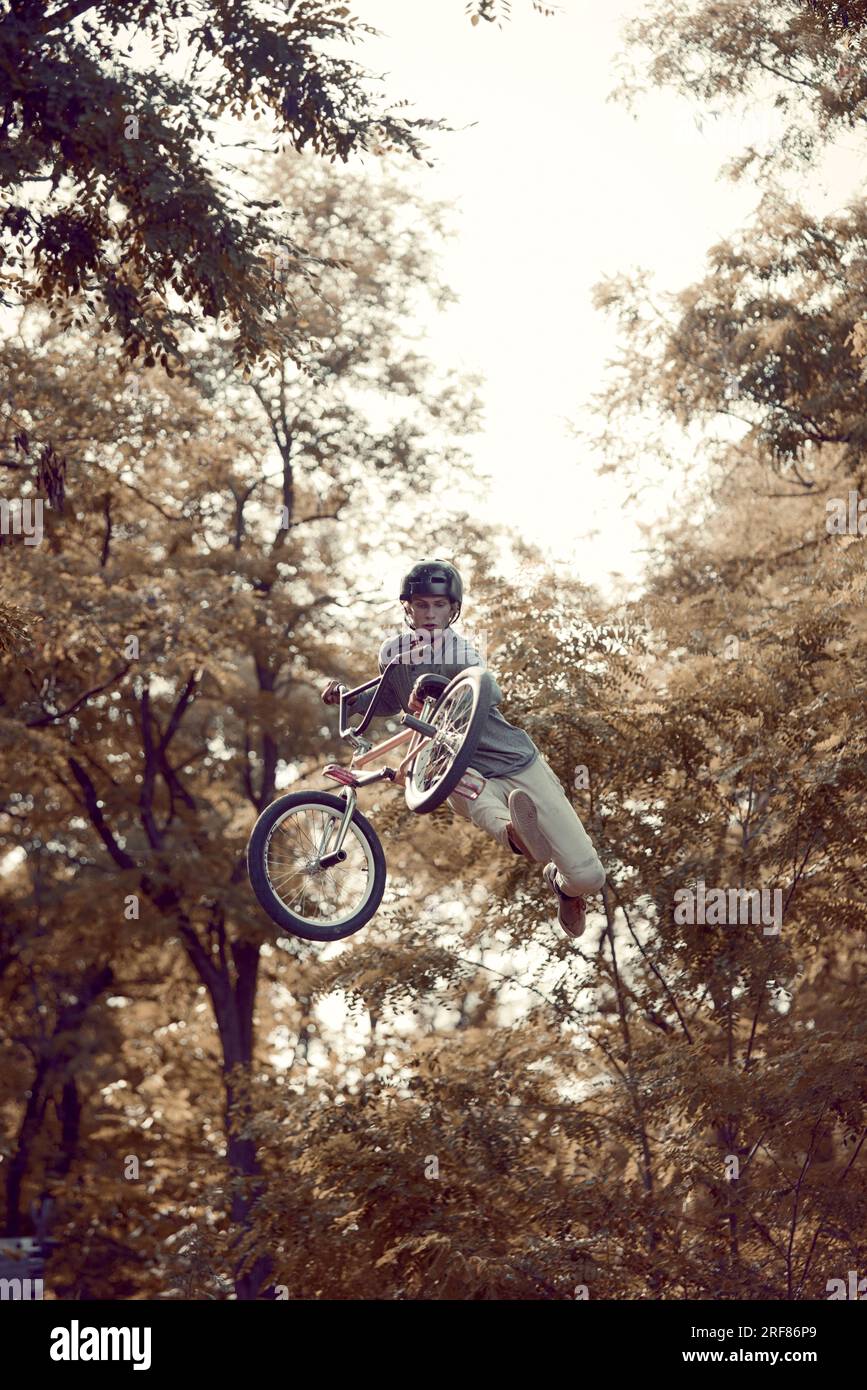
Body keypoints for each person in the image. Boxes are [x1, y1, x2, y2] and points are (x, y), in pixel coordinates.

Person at [321, 559, 606, 937]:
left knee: (589, 875)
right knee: (455, 784)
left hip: (513, 761)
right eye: (421, 605)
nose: (429, 614)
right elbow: (388, 698)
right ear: (407, 608)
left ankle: (563, 887)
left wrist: (435, 684)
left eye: (439, 605)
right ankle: (515, 832)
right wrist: (348, 699)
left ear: (453, 609)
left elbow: (487, 691)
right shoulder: (393, 652)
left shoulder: (462, 651)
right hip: (452, 764)